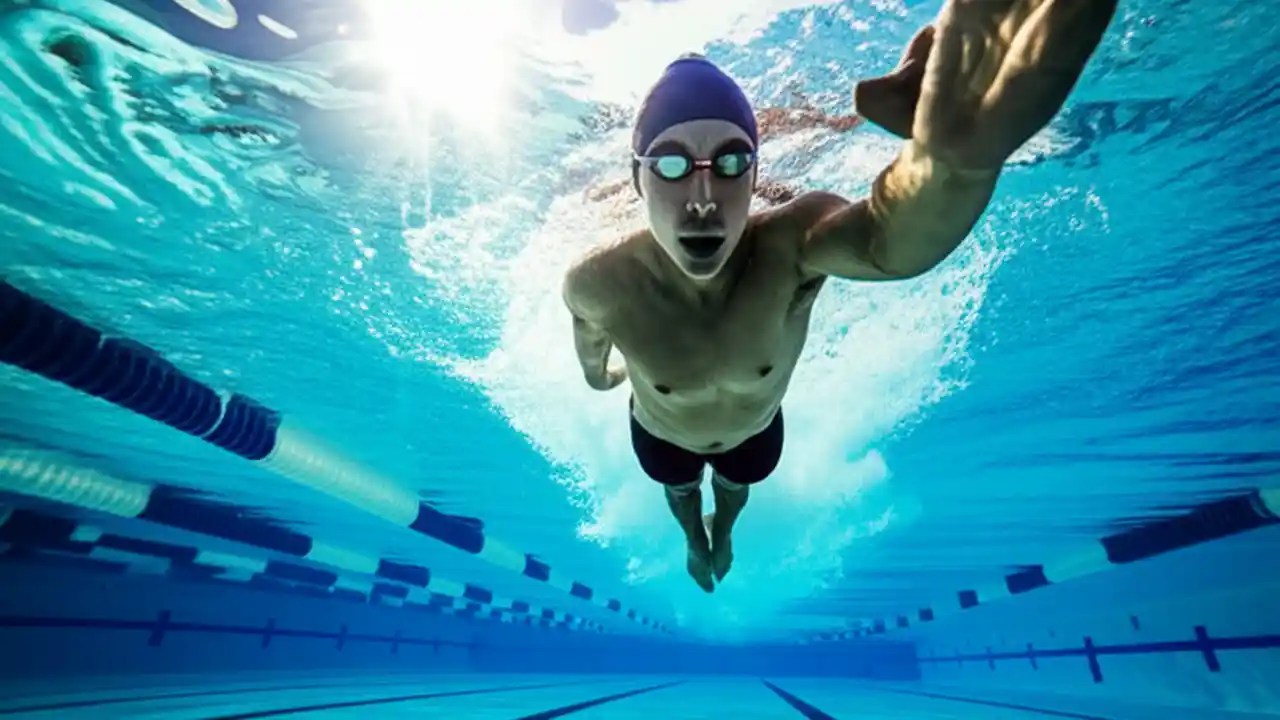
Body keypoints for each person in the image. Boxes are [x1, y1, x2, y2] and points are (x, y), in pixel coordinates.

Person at [562, 0, 1117, 593]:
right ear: (635, 178)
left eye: (730, 161)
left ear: (756, 176)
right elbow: (595, 367)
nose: (703, 196)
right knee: (680, 493)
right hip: (662, 434)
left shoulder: (790, 245)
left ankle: (720, 535)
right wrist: (607, 378)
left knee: (733, 493)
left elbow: (885, 241)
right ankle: (694, 540)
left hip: (755, 432)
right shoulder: (598, 284)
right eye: (671, 164)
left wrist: (951, 166)